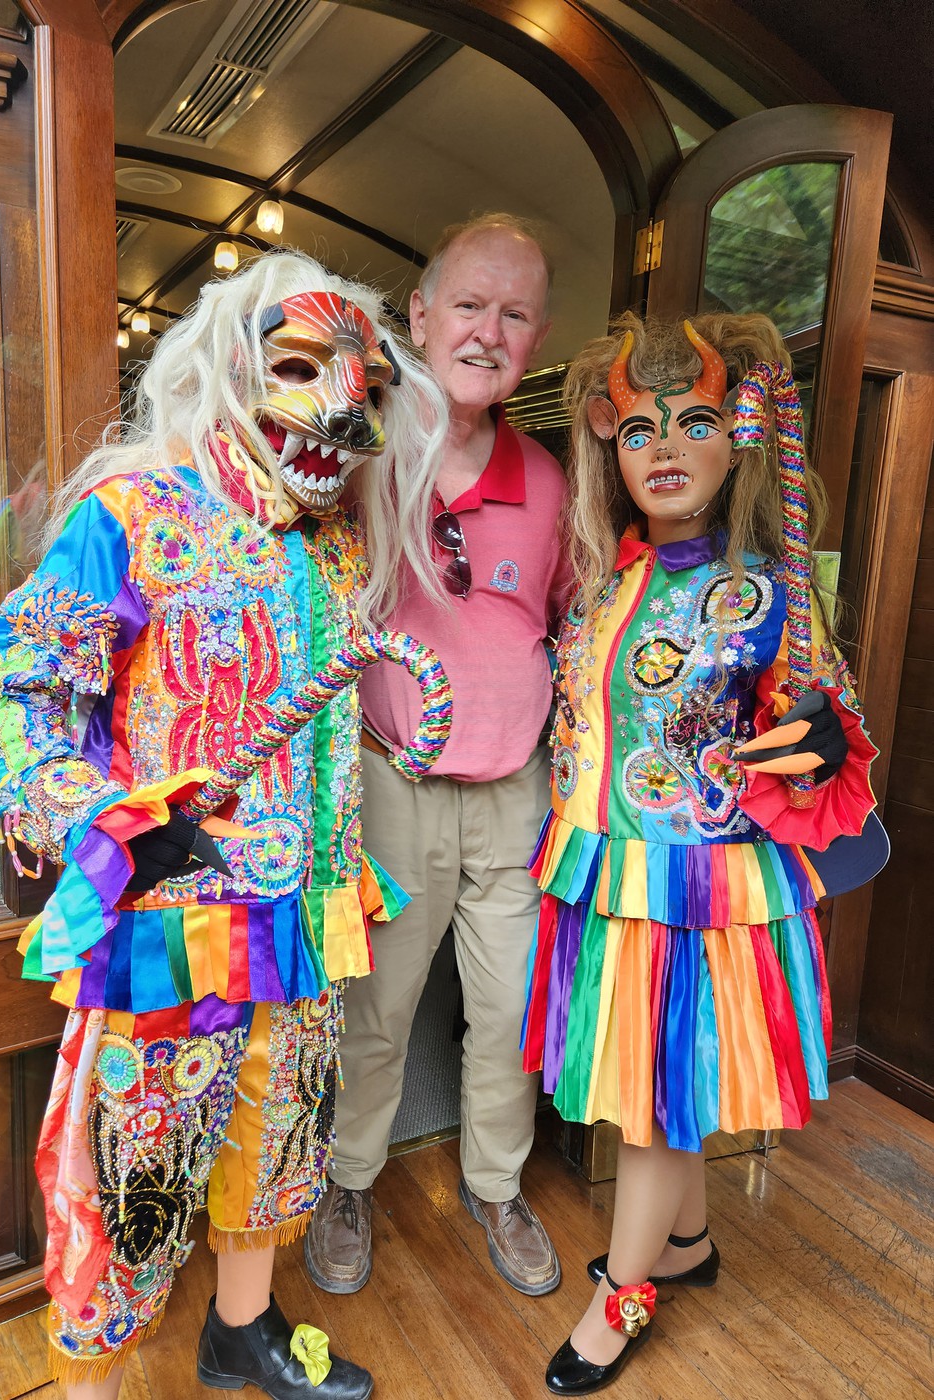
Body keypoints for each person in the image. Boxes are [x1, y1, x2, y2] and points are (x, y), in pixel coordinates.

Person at [0, 250, 449, 1400]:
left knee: (280, 1137)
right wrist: (99, 817)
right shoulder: (134, 513)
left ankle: (243, 1326)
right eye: (299, 366)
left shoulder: (335, 545)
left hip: (307, 912)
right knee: (138, 1166)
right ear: (228, 367)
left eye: (362, 388)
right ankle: (101, 1373)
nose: (338, 408)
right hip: (173, 928)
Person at [525, 313, 877, 1393]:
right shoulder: (602, 583)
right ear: (607, 444)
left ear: (740, 439)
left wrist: (820, 735)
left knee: (654, 1094)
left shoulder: (770, 591)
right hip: (604, 870)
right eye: (638, 428)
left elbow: (825, 725)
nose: (665, 447)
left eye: (696, 420)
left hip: (701, 883)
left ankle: (620, 1299)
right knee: (652, 1076)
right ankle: (684, 1246)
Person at [306, 213, 567, 1298]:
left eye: (514, 313)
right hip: (392, 783)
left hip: (518, 790)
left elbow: (568, 619)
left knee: (509, 1013)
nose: (488, 330)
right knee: (378, 1009)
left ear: (537, 335)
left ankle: (497, 1185)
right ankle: (349, 1178)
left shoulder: (554, 480)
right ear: (419, 315)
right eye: (470, 303)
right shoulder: (354, 451)